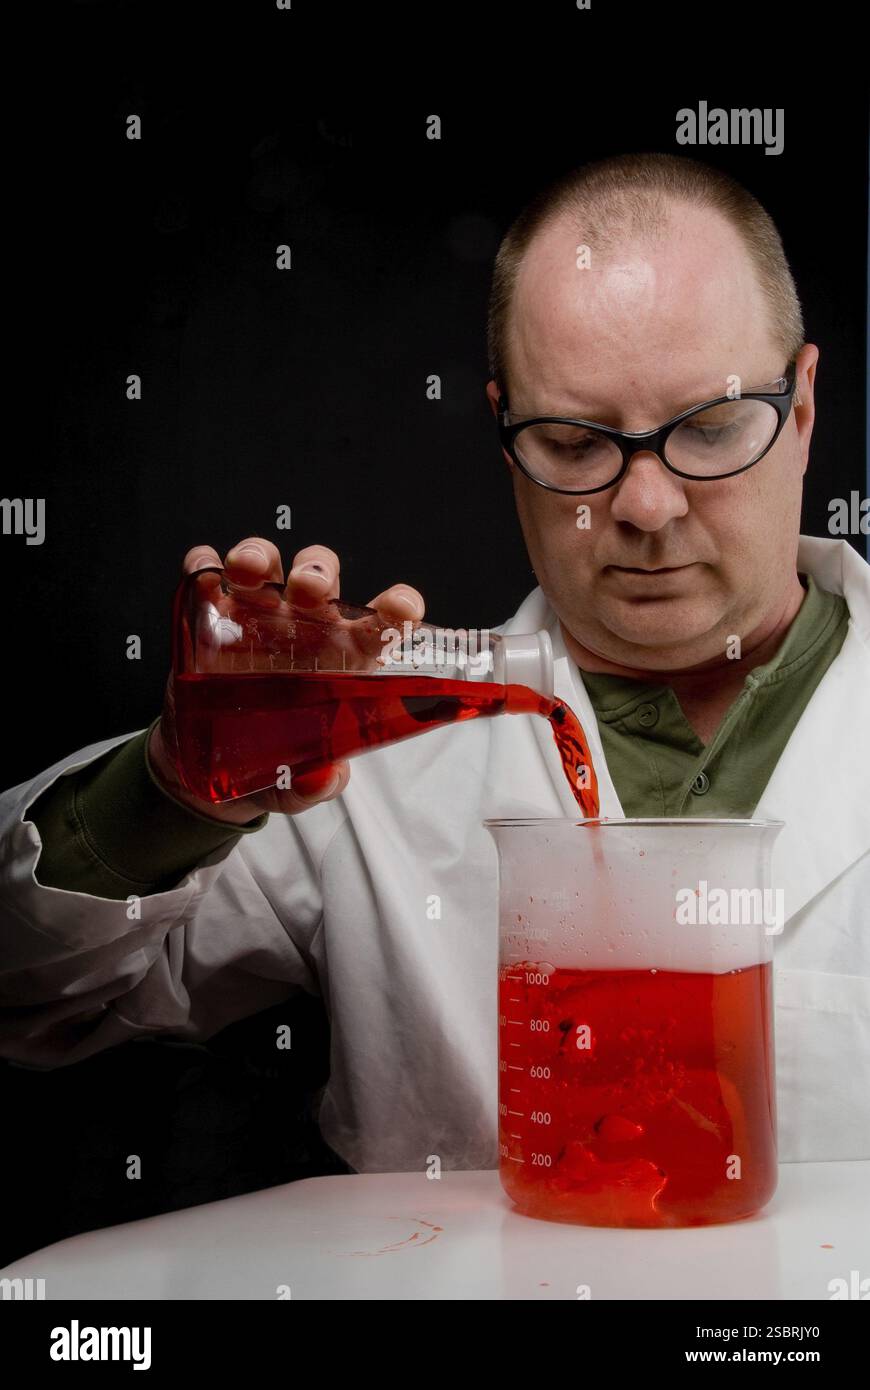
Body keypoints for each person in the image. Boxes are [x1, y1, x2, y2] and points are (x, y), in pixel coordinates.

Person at [1, 152, 868, 1173]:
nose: (645, 506)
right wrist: (174, 791)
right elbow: (30, 993)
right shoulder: (354, 767)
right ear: (507, 439)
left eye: (713, 426)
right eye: (576, 442)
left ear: (802, 409)